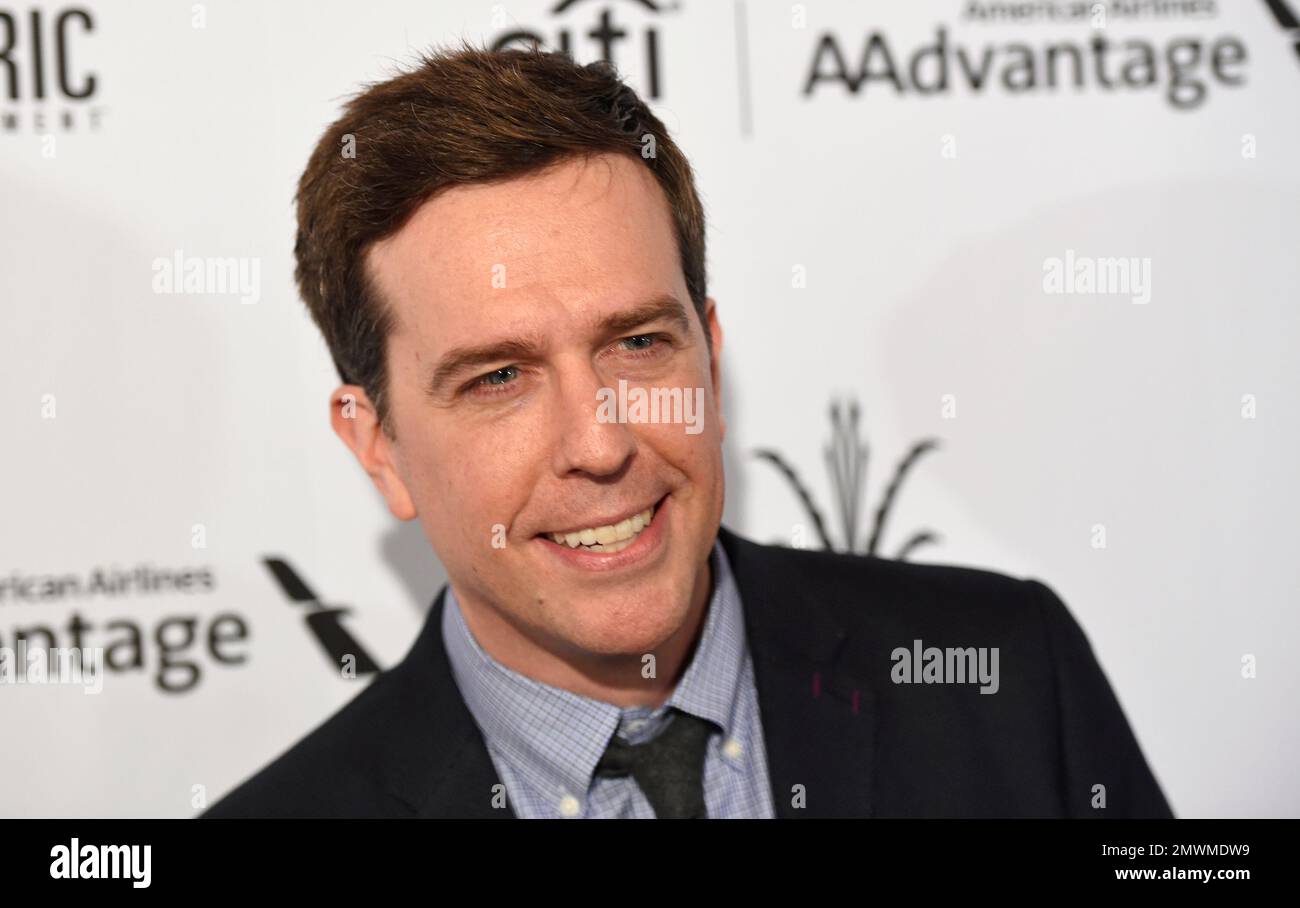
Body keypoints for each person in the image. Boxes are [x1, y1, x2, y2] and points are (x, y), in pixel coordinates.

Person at [204, 43, 1172, 819]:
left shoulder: (1006, 678)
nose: (601, 441)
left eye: (635, 342)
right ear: (377, 445)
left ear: (708, 353)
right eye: (499, 376)